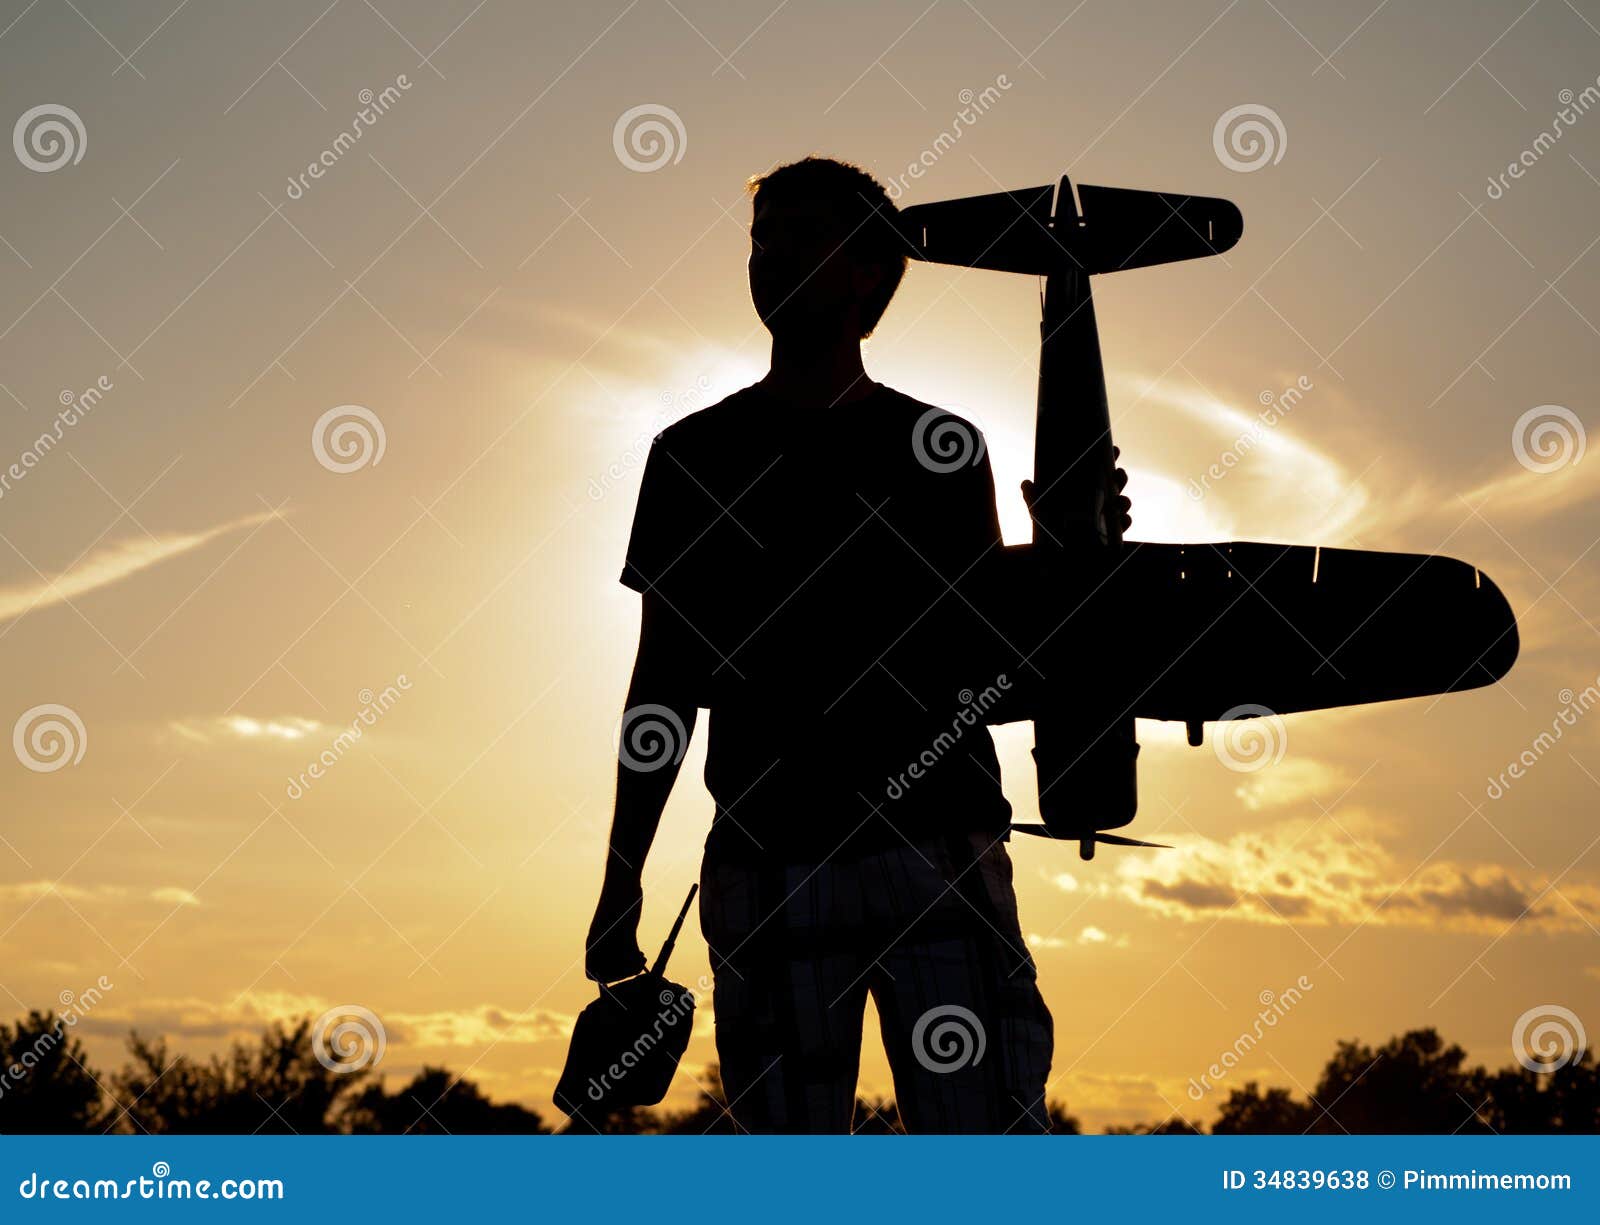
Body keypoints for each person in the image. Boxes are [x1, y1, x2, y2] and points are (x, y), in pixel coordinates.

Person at [584, 156, 1130, 1133]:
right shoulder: (691, 456)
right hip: (768, 854)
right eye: (761, 237)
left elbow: (986, 658)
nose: (770, 257)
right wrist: (620, 874)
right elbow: (661, 682)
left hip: (935, 846)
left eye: (800, 235)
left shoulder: (944, 449)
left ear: (870, 273)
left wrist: (1061, 563)